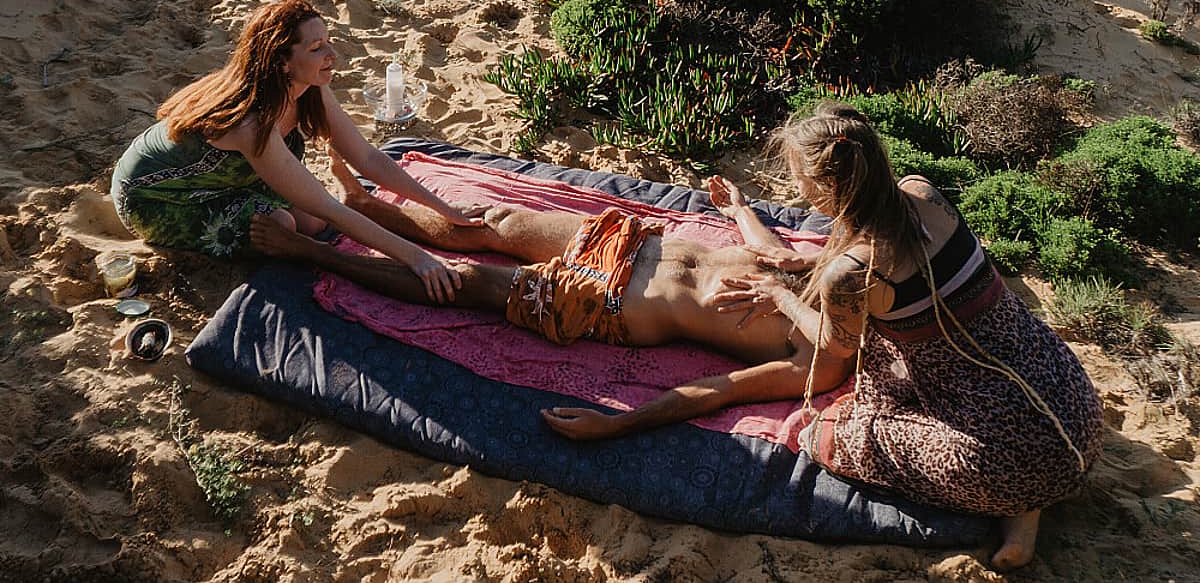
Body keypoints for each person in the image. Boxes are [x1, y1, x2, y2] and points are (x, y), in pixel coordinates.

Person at [710, 101, 1104, 571]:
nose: (798, 189)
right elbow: (908, 257)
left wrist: (780, 293)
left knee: (824, 435)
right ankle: (1025, 512)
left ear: (826, 185)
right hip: (1074, 405)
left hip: (1002, 456)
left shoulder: (852, 273)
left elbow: (834, 343)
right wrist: (812, 261)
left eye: (800, 178)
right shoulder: (921, 191)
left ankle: (1018, 501)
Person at [248, 152, 854, 435]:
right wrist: (743, 209)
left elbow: (715, 392)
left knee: (462, 283)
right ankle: (367, 209)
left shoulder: (818, 359)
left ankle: (312, 251)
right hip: (634, 242)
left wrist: (618, 424)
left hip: (605, 302)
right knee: (495, 220)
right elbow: (769, 244)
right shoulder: (818, 268)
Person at [110, 0, 481, 302]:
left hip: (229, 177)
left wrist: (444, 209)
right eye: (317, 48)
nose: (332, 54)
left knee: (310, 222)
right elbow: (329, 207)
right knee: (285, 225)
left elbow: (366, 157)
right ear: (282, 61)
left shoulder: (310, 87)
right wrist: (418, 259)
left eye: (328, 42)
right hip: (159, 196)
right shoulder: (252, 122)